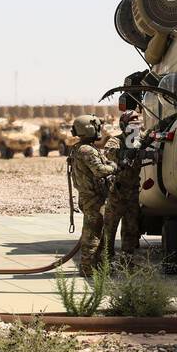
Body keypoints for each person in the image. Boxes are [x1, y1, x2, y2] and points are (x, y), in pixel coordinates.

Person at [68, 114, 115, 277]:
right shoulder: (87, 150)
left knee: (96, 232)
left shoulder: (80, 147)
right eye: (97, 127)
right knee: (92, 235)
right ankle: (88, 268)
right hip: (93, 198)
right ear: (89, 129)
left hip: (90, 196)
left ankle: (96, 265)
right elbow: (100, 171)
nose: (99, 130)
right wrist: (114, 167)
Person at [103, 108, 146, 259]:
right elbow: (109, 151)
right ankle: (106, 261)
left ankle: (127, 261)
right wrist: (126, 153)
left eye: (137, 124)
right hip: (117, 192)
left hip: (133, 193)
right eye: (131, 125)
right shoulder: (116, 140)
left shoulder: (140, 139)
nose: (135, 128)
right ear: (123, 126)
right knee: (109, 228)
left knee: (131, 229)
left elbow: (153, 134)